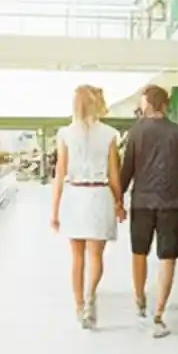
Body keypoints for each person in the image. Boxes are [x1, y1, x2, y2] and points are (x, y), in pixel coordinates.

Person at [119, 84, 178, 338]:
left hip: (141, 201)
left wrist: (117, 200)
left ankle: (140, 297)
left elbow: (126, 170)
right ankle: (159, 314)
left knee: (139, 252)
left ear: (148, 105)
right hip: (171, 203)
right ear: (166, 105)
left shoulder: (135, 132)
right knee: (168, 257)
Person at [50, 85, 123, 330]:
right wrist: (119, 202)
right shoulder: (110, 134)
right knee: (96, 255)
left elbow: (60, 172)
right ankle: (91, 296)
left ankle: (79, 305)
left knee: (77, 257)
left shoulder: (65, 134)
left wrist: (55, 210)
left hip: (74, 195)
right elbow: (114, 174)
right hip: (99, 194)